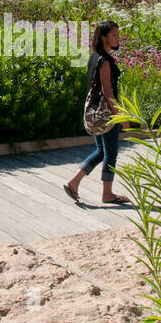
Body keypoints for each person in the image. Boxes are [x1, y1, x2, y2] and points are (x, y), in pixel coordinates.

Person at [63, 21, 130, 205]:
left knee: (101, 151)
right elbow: (108, 92)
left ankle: (74, 183)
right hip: (106, 114)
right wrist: (121, 117)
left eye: (118, 34)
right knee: (110, 153)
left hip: (95, 111)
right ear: (103, 38)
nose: (117, 38)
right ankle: (107, 194)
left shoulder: (95, 56)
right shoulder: (106, 61)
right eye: (114, 35)